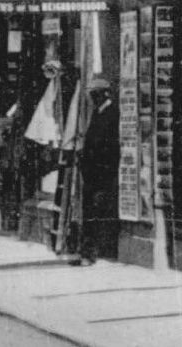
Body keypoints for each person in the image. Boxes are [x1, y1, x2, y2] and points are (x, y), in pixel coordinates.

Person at [76, 79, 119, 265]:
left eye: (95, 94)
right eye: (92, 95)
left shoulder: (112, 113)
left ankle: (94, 251)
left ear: (105, 93)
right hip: (91, 173)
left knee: (97, 211)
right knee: (89, 212)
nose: (93, 98)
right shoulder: (97, 112)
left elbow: (110, 146)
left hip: (103, 173)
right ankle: (87, 252)